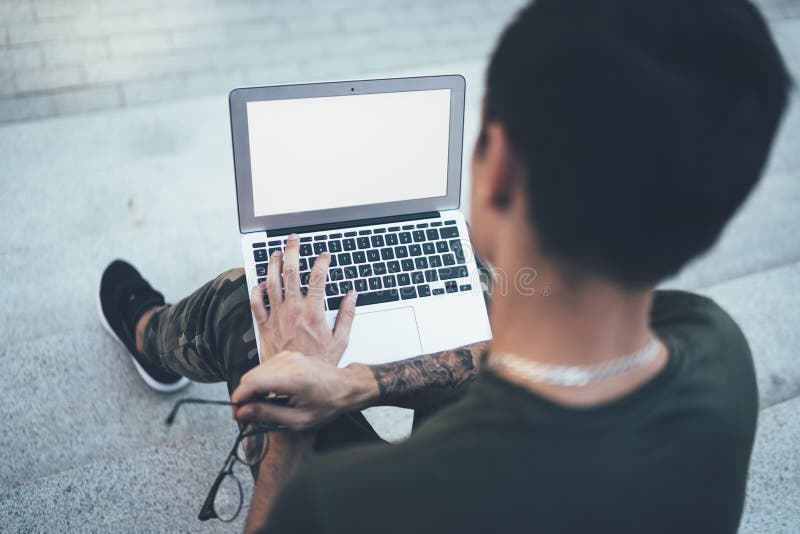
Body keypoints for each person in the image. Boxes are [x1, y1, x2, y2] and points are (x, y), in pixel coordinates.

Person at [98, 0, 791, 532]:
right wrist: (358, 384)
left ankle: (150, 332)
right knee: (493, 289)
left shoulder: (348, 505)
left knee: (249, 313)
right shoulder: (719, 355)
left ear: (498, 169)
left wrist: (286, 437)